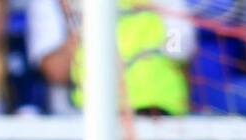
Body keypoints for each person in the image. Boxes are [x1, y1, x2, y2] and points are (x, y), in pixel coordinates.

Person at [27, 0, 194, 116]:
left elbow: (180, 49)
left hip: (158, 113)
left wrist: (157, 17)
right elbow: (56, 70)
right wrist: (83, 26)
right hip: (88, 116)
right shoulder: (56, 4)